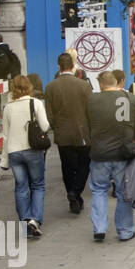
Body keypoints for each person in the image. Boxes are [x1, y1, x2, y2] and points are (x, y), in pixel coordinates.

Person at [86, 71, 135, 243]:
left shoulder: (91, 100)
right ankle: (125, 231)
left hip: (99, 153)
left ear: (101, 84)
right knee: (124, 191)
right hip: (124, 154)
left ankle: (99, 228)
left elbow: (85, 124)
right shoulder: (130, 98)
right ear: (117, 83)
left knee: (99, 190)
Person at [0, 74, 51, 238]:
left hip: (14, 152)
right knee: (37, 185)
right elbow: (45, 126)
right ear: (29, 86)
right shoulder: (35, 103)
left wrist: (4, 160)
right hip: (32, 150)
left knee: (21, 187)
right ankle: (35, 219)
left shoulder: (8, 107)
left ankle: (25, 220)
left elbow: (5, 135)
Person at [45, 52, 92, 215]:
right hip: (82, 132)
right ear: (73, 66)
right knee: (84, 164)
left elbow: (49, 113)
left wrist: (56, 126)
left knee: (67, 166)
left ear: (58, 66)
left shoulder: (50, 87)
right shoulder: (84, 85)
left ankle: (73, 196)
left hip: (62, 132)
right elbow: (90, 109)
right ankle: (76, 192)